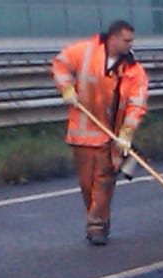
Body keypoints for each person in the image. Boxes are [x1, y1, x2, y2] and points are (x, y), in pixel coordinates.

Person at [51, 21, 149, 246]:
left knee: (103, 181)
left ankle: (96, 225)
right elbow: (60, 64)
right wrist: (66, 88)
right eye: (127, 40)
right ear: (113, 38)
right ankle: (99, 220)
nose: (130, 44)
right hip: (83, 133)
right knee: (87, 184)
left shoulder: (134, 70)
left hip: (110, 136)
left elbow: (137, 103)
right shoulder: (85, 52)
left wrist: (126, 133)